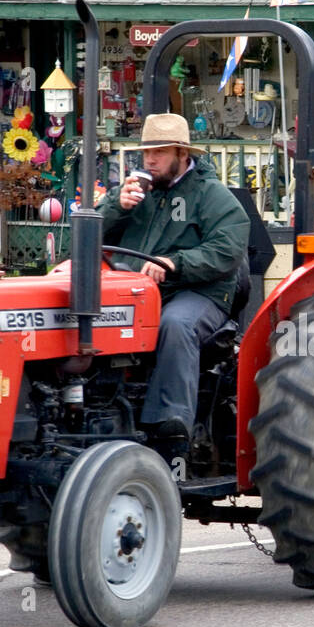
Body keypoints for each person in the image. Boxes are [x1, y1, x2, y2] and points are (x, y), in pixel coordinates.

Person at [100, 113, 249, 447]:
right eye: (146, 153)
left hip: (198, 292)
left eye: (161, 152)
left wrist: (175, 263)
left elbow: (228, 249)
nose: (150, 160)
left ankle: (170, 425)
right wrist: (115, 207)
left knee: (176, 323)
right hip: (136, 289)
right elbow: (78, 240)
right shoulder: (134, 193)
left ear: (184, 155)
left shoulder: (212, 196)